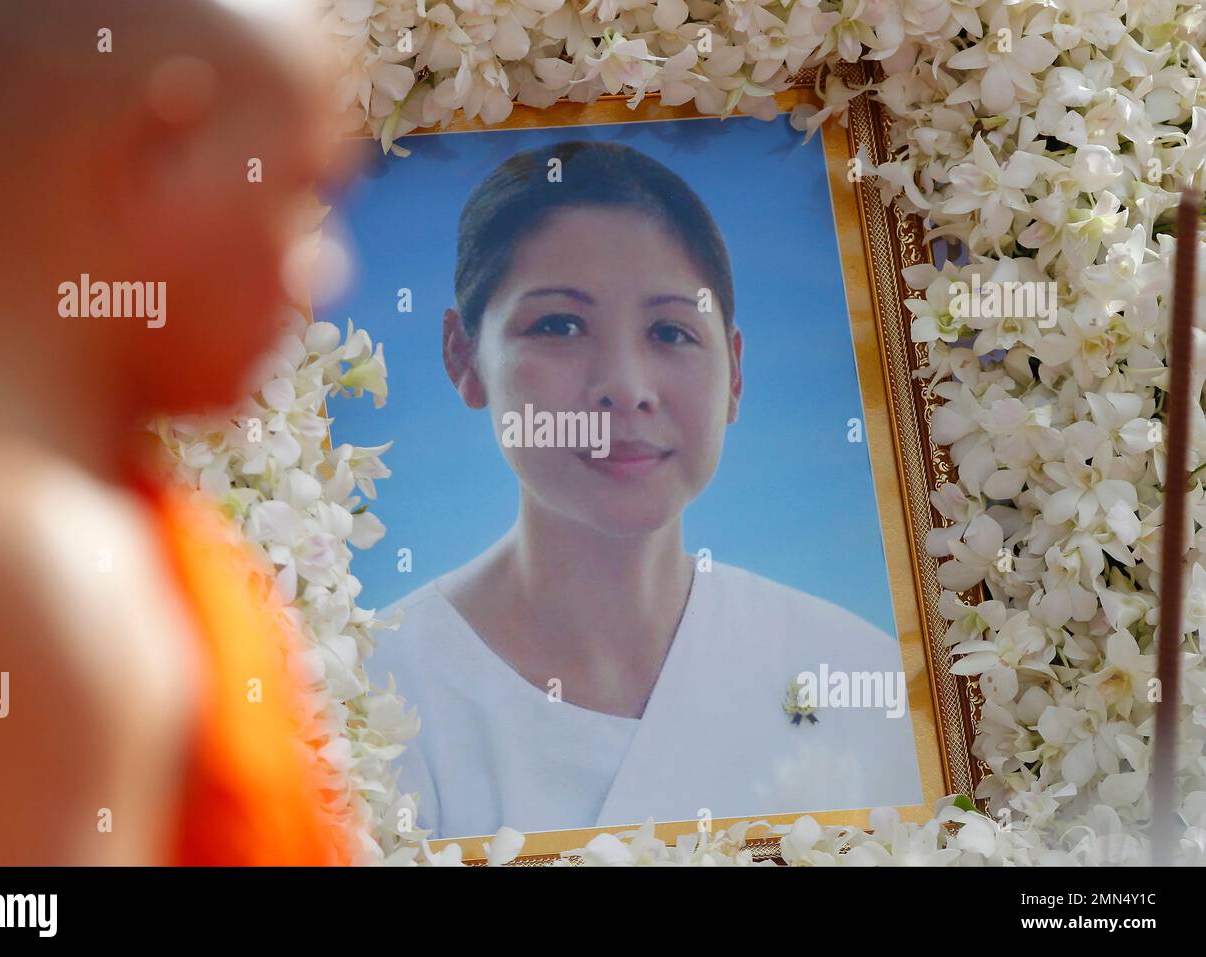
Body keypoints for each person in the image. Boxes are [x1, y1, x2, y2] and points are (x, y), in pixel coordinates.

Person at [0, 0, 364, 864]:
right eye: (301, 192)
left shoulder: (98, 519)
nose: (324, 275)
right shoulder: (22, 561)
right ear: (158, 152)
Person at [369, 141, 924, 839]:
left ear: (736, 374)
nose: (626, 389)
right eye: (559, 326)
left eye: (671, 331)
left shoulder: (865, 678)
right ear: (464, 356)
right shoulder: (369, 695)